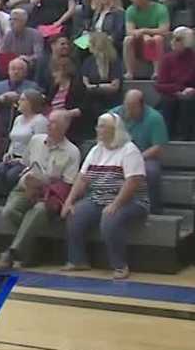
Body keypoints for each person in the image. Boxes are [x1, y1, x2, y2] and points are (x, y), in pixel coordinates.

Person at [63, 112, 150, 279]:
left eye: (102, 126)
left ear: (114, 130)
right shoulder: (96, 150)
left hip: (131, 201)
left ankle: (120, 265)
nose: (98, 129)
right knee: (75, 214)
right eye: (98, 125)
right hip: (98, 198)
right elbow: (82, 178)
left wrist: (116, 204)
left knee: (110, 218)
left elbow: (132, 182)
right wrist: (69, 201)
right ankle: (78, 260)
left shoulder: (129, 150)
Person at [0, 111, 80, 270]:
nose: (49, 125)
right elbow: (25, 164)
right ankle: (31, 250)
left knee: (37, 211)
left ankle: (13, 252)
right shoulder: (35, 140)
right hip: (25, 188)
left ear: (65, 127)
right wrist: (27, 182)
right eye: (49, 121)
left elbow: (67, 184)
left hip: (49, 196)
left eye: (54, 123)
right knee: (9, 211)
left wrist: (41, 186)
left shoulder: (72, 152)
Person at [111, 89, 168, 213]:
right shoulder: (114, 115)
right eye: (126, 106)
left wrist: (136, 159)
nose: (128, 110)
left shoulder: (154, 118)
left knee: (151, 172)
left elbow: (158, 147)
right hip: (117, 155)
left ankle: (154, 209)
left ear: (142, 105)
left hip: (145, 157)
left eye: (132, 107)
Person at [154, 27, 195, 141]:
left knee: (188, 101)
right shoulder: (167, 59)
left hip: (192, 94)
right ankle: (167, 136)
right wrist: (177, 90)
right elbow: (160, 84)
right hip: (172, 93)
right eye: (173, 38)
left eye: (178, 39)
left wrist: (193, 90)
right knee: (168, 101)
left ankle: (187, 137)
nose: (173, 42)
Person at [123, 0, 171, 80]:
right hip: (140, 41)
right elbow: (129, 31)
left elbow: (164, 30)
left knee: (157, 38)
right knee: (127, 39)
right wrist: (144, 36)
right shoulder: (130, 10)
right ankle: (130, 72)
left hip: (158, 42)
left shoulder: (160, 9)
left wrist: (144, 31)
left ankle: (157, 72)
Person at [81, 31, 123, 122]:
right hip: (93, 99)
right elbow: (86, 85)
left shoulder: (114, 61)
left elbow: (115, 87)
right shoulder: (88, 61)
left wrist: (95, 87)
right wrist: (102, 86)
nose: (88, 46)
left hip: (112, 100)